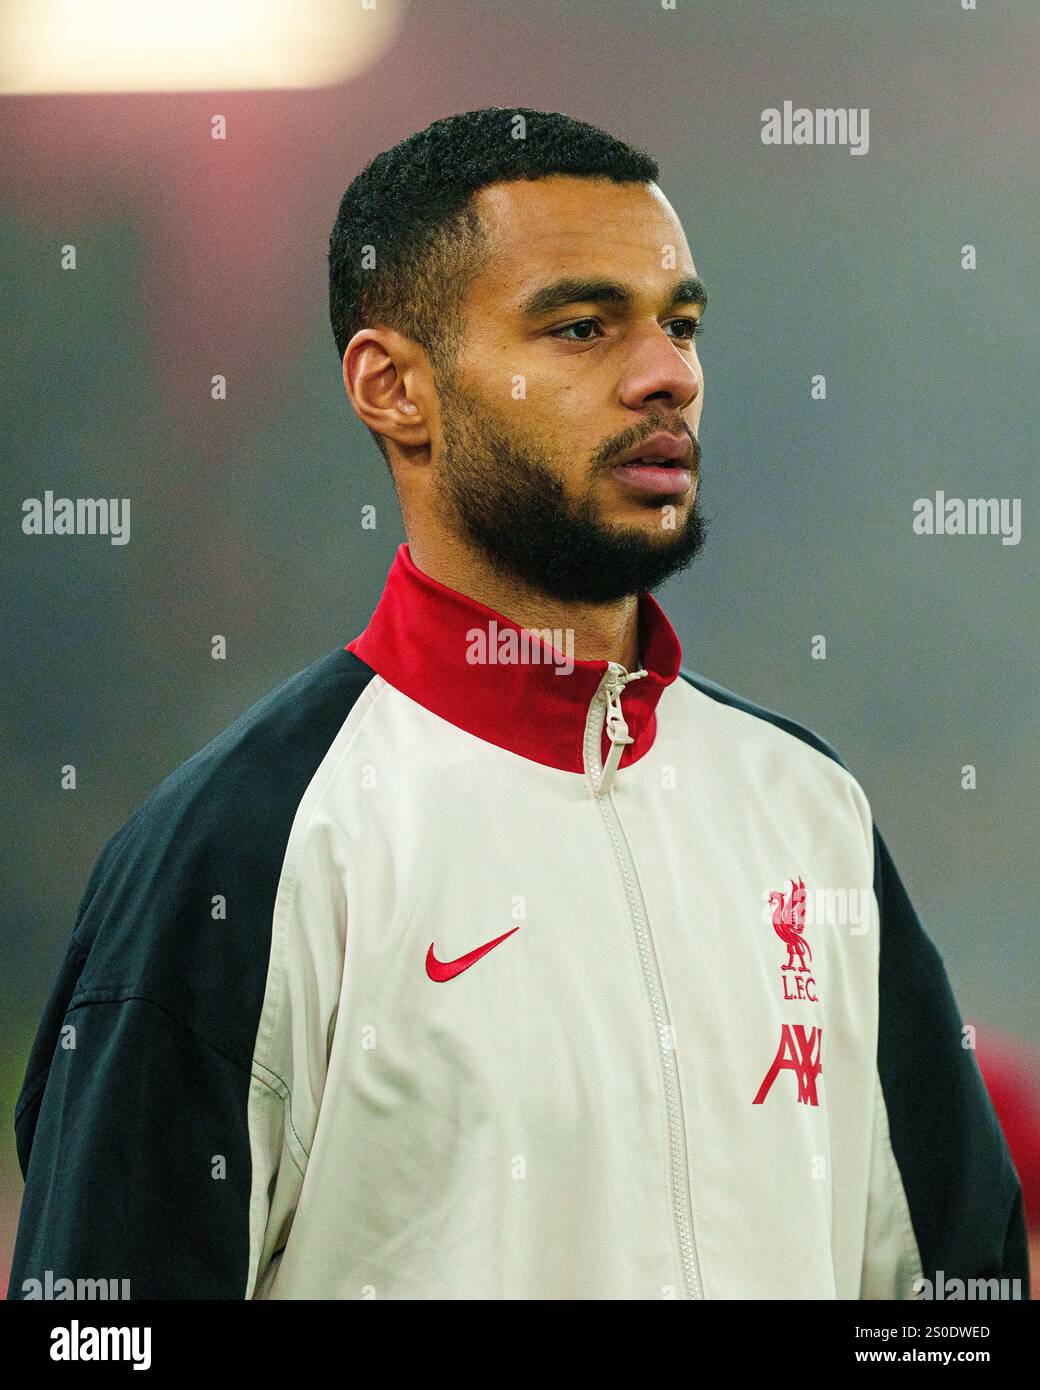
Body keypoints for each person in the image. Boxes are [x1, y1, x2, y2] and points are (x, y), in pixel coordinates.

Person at [9, 107, 1027, 1300]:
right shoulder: (239, 852)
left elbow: (956, 1299)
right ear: (393, 389)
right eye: (584, 326)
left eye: (680, 325)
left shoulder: (813, 816)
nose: (668, 375)